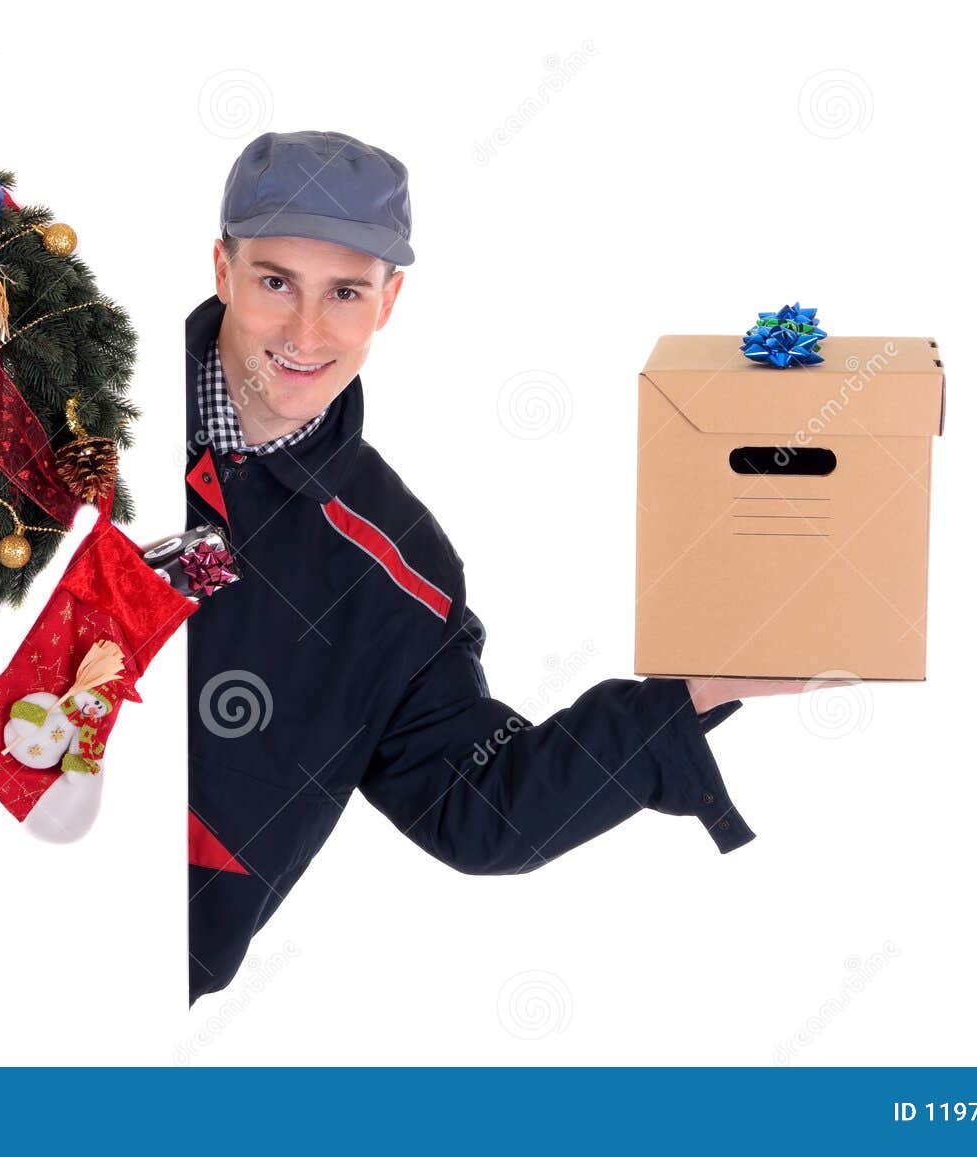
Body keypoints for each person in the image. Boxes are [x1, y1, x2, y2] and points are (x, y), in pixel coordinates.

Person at [184, 130, 847, 1005]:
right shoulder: (83, 413)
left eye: (345, 291)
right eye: (276, 282)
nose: (306, 332)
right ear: (222, 270)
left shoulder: (397, 564)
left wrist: (690, 694)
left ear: (389, 303)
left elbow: (480, 802)